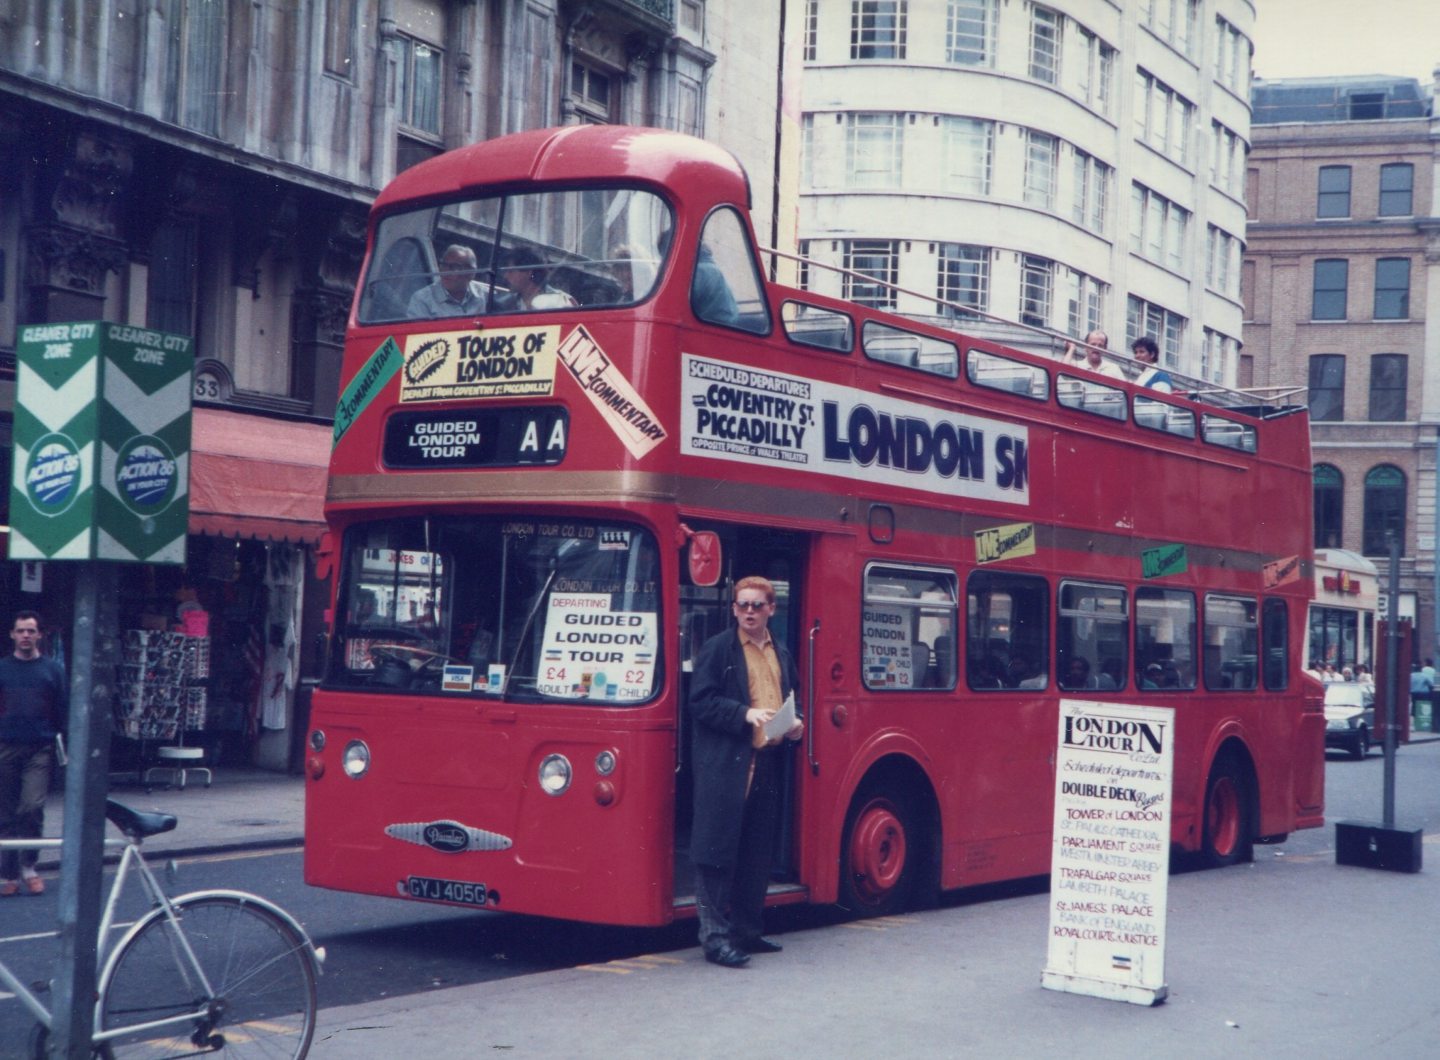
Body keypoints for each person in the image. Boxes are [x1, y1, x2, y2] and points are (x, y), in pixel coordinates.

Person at [689, 575, 803, 968]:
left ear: (772, 608)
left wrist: (795, 723)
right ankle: (715, 939)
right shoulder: (718, 650)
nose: (749, 612)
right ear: (734, 609)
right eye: (742, 605)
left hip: (768, 762)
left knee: (757, 852)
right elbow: (700, 702)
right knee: (717, 851)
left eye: (757, 605)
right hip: (728, 765)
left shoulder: (781, 652)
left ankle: (747, 931)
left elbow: (791, 697)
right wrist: (744, 714)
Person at [0, 611, 69, 897]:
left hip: (39, 748)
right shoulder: (2, 668)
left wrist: (64, 743)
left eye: (31, 631)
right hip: (5, 747)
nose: (26, 635)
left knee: (31, 807)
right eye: (21, 631)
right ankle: (8, 874)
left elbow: (63, 710)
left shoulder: (53, 670)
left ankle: (29, 866)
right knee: (6, 813)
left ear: (40, 635)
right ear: (12, 635)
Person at [406, 244, 489, 318]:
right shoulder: (422, 300)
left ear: (471, 273)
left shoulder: (486, 295)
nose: (446, 271)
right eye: (444, 265)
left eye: (454, 267)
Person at [499, 247, 576, 310]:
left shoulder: (560, 301)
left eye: (511, 271)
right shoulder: (505, 305)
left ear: (528, 272)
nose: (506, 276)